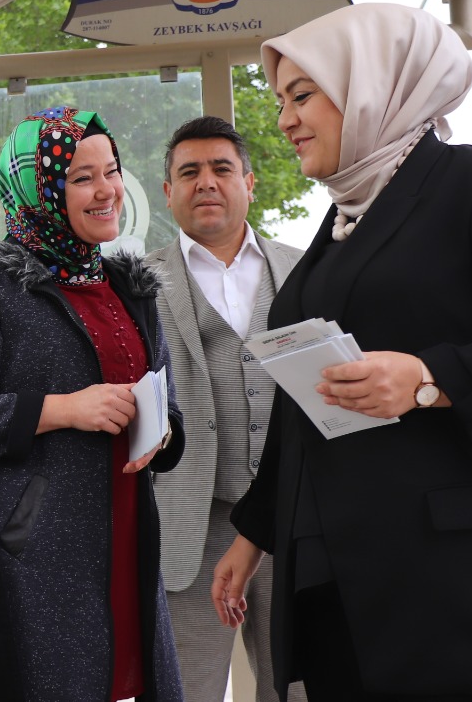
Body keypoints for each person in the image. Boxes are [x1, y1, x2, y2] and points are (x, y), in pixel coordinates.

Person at [209, 3, 472, 702]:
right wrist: (255, 536)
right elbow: (310, 400)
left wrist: (431, 379)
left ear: (373, 84)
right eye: (280, 102)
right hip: (343, 579)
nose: (285, 121)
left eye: (303, 95)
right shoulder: (339, 227)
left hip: (468, 579)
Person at [0, 106, 186, 702]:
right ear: (40, 190)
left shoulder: (129, 288)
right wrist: (65, 409)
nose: (107, 190)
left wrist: (160, 430)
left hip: (126, 540)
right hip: (32, 559)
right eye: (82, 177)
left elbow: (167, 408)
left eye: (112, 171)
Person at [146, 116, 306, 702]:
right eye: (189, 172)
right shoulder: (135, 282)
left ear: (250, 181)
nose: (206, 182)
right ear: (168, 192)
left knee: (299, 687)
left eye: (221, 168)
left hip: (292, 519)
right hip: (190, 527)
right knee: (185, 691)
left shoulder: (303, 269)